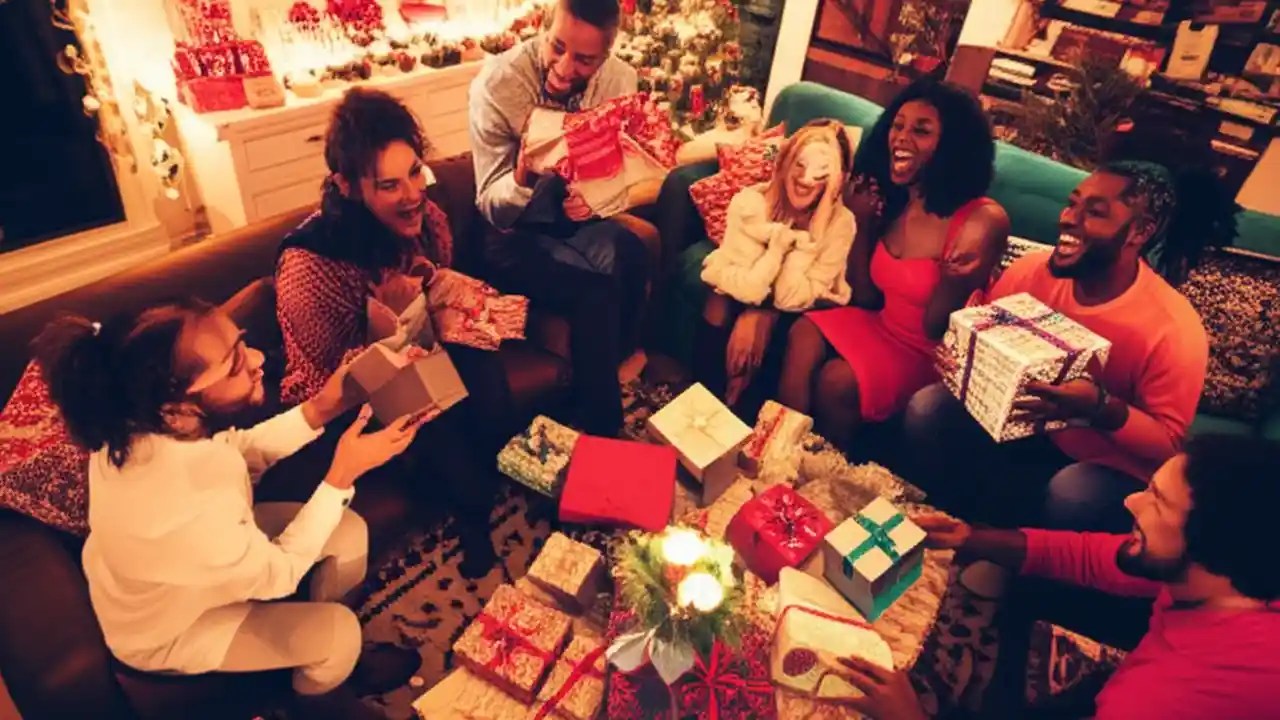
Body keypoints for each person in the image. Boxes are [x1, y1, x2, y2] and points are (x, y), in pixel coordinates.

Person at [35, 300, 427, 720]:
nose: (258, 359)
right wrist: (343, 473)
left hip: (195, 567)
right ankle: (318, 702)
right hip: (172, 628)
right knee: (339, 635)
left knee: (348, 533)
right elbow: (278, 576)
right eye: (235, 364)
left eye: (242, 344)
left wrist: (323, 406)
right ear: (174, 402)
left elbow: (235, 452)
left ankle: (313, 646)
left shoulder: (141, 425)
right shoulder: (180, 502)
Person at [832, 434, 1280, 719]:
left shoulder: (1162, 697)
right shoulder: (1232, 575)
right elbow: (1094, 557)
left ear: (1212, 547)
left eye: (1157, 502)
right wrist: (971, 538)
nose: (1130, 503)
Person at [903, 161, 1235, 532]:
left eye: (1094, 212)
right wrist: (964, 359)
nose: (1067, 219)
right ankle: (952, 529)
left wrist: (1099, 408)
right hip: (1022, 429)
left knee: (1072, 492)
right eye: (1072, 203)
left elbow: (1168, 445)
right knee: (929, 407)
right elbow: (986, 339)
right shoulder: (1031, 271)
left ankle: (1017, 563)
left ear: (1139, 231)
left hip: (1102, 462)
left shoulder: (1172, 329)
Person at [276, 87, 511, 577]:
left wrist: (430, 285)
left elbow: (440, 282)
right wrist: (388, 322)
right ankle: (469, 515)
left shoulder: (428, 219)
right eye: (389, 185)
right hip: (346, 388)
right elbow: (332, 382)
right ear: (346, 185)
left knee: (491, 386)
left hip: (424, 345)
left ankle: (487, 480)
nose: (412, 195)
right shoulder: (310, 266)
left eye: (414, 172)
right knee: (436, 424)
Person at [777, 79, 1009, 446]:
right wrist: (863, 224)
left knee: (837, 379)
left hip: (928, 352)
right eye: (898, 126)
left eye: (921, 130)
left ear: (953, 146)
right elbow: (867, 298)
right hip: (883, 325)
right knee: (803, 332)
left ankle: (826, 476)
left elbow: (937, 329)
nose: (901, 137)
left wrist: (951, 281)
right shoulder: (898, 199)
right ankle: (780, 450)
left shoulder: (982, 220)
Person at [469, 0, 646, 435]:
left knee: (635, 253)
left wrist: (600, 199)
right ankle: (605, 431)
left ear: (606, 54)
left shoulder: (621, 80)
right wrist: (524, 177)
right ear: (544, 28)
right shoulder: (500, 83)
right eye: (557, 47)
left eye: (584, 59)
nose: (565, 68)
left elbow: (622, 169)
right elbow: (490, 203)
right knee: (596, 293)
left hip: (578, 222)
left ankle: (605, 371)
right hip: (509, 233)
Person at [694, 120, 856, 409]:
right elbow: (735, 274)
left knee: (791, 338)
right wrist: (753, 311)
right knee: (718, 302)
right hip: (749, 290)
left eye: (823, 171)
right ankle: (702, 408)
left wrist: (811, 232)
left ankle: (762, 431)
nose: (807, 179)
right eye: (800, 164)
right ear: (785, 162)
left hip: (804, 306)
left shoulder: (841, 224)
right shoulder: (751, 204)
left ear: (838, 180)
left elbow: (793, 296)